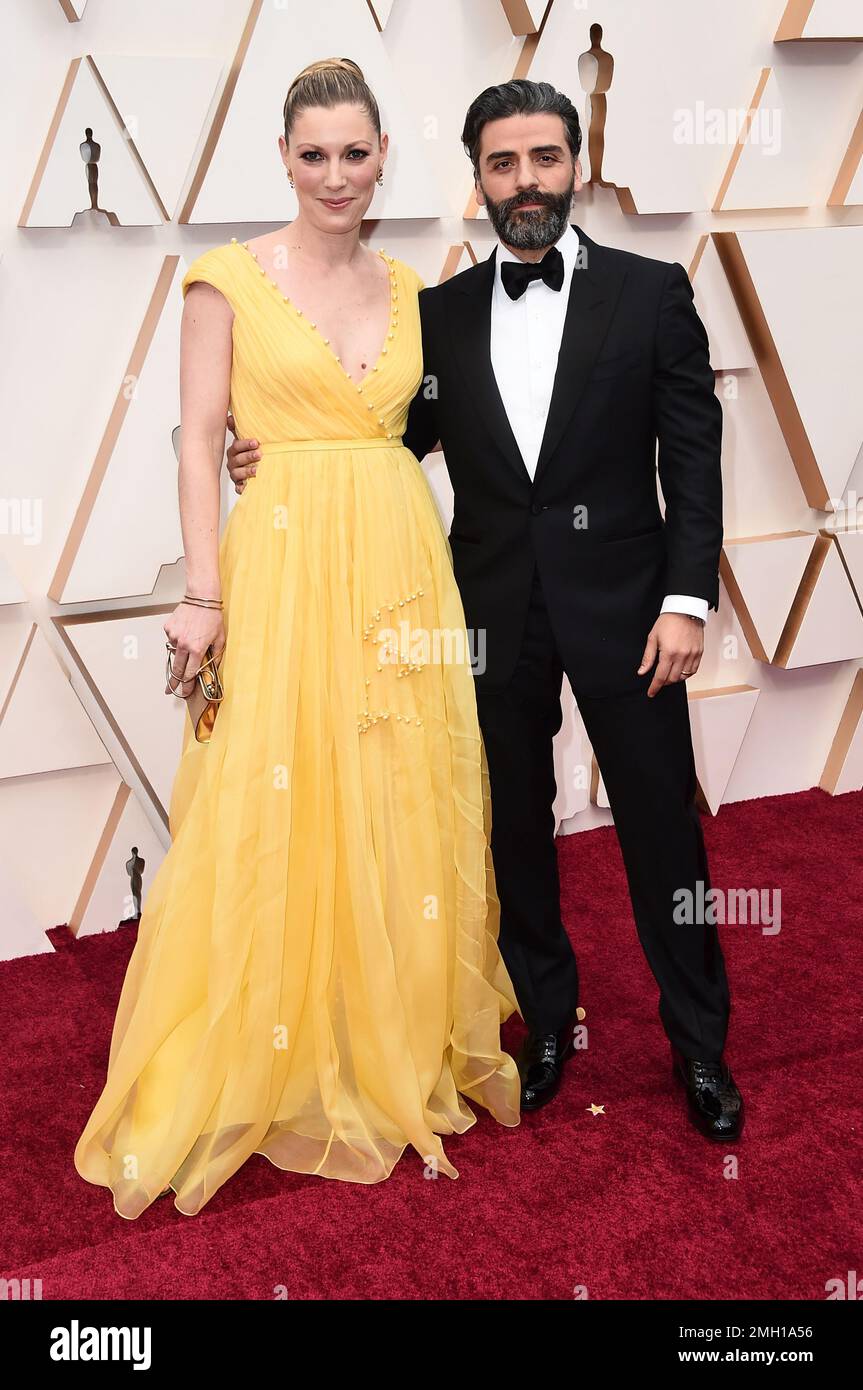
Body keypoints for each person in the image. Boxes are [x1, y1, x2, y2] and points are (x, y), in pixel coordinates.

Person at [229, 78, 744, 1141]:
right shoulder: (439, 314)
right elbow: (377, 435)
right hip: (487, 614)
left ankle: (698, 1045)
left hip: (631, 615)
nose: (526, 182)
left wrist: (686, 599)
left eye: (544, 160)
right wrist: (268, 449)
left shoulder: (651, 294)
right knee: (513, 831)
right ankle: (546, 1024)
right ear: (477, 176)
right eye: (503, 164)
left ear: (575, 165)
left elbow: (694, 459)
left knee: (660, 833)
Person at [74, 57, 521, 1221]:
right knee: (268, 794)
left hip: (396, 564)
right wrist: (203, 594)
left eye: (356, 153)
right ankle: (261, 1052)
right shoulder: (222, 279)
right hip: (276, 566)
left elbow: (434, 434)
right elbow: (196, 440)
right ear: (283, 158)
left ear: (382, 159)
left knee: (394, 787)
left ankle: (378, 1038)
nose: (335, 174)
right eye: (313, 153)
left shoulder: (420, 287)